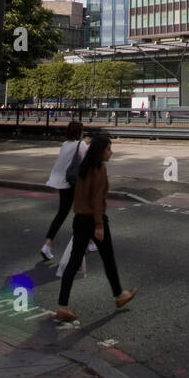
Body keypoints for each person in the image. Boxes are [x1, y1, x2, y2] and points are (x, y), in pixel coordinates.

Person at [56, 135, 135, 323]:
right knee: (108, 258)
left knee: (74, 262)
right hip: (94, 220)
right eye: (108, 149)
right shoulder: (99, 170)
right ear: (101, 151)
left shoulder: (84, 168)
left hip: (80, 219)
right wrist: (99, 226)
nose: (111, 152)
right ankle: (118, 295)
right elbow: (98, 201)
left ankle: (62, 306)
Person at [39, 121, 89, 261]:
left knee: (62, 213)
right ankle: (87, 243)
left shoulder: (65, 144)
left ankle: (47, 244)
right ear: (79, 132)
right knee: (83, 211)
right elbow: (86, 162)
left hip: (61, 181)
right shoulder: (81, 144)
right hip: (72, 182)